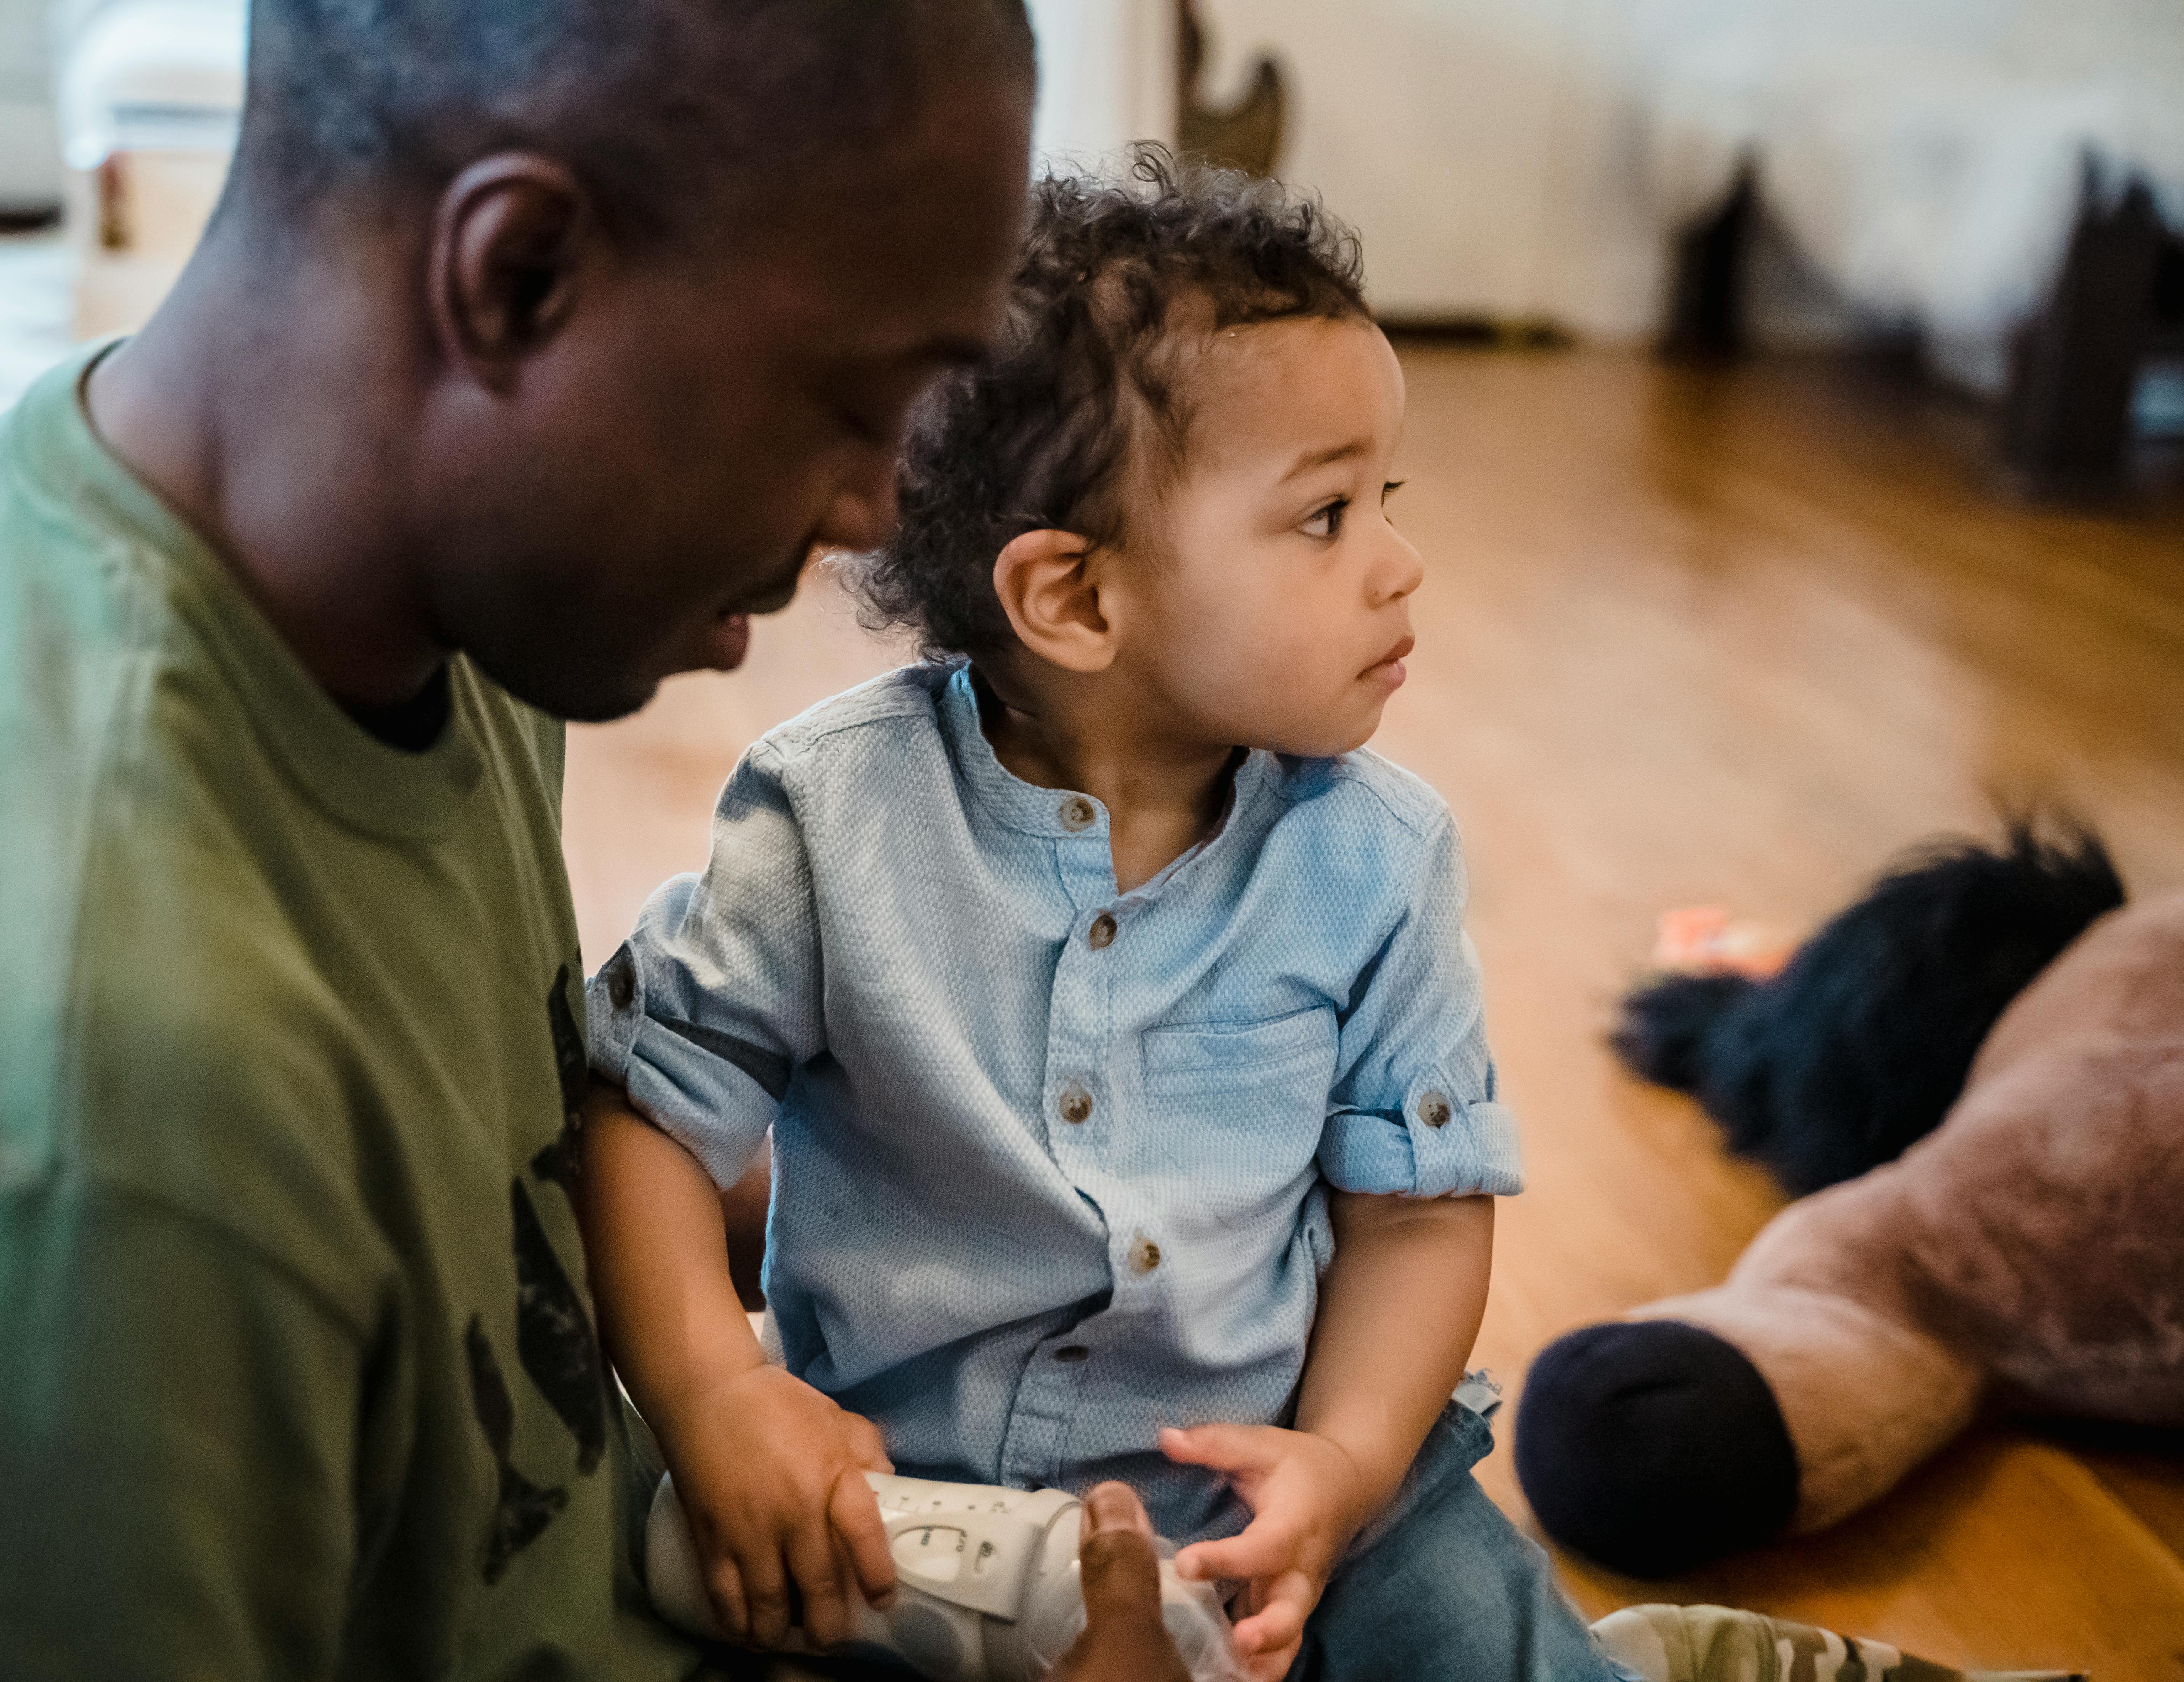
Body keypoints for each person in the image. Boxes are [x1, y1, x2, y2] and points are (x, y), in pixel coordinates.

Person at [0, 0, 1191, 1676]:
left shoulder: (384, 587)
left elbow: (478, 1209)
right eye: (850, 404)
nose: (877, 512)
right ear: (519, 275)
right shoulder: (74, 1142)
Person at [576, 153, 1630, 1682]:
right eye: (1326, 516)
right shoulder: (827, 815)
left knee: (1493, 1644)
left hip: (1281, 1504)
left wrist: (1339, 1467)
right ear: (1073, 600)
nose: (1402, 568)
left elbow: (1415, 1217)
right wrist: (712, 1396)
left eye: (1381, 501)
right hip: (919, 1522)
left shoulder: (1378, 859)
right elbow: (647, 1116)